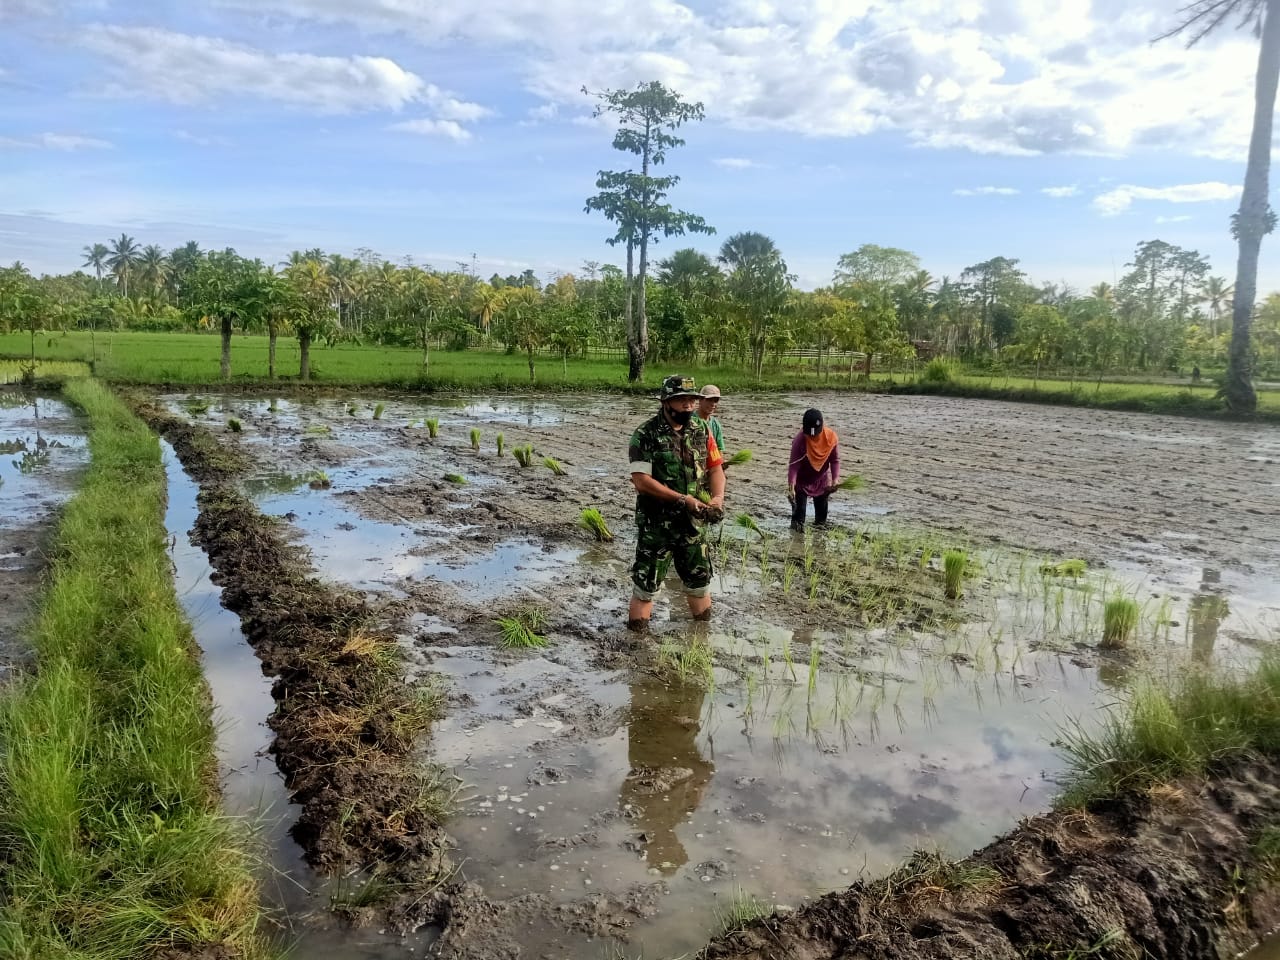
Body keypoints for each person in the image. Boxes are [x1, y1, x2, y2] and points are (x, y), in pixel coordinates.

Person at [627, 375, 726, 631]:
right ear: (665, 402)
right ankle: (637, 644)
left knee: (699, 584)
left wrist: (717, 498)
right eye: (681, 400)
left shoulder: (701, 431)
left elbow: (716, 469)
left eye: (691, 400)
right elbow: (641, 480)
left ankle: (701, 637)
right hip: (657, 527)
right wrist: (682, 499)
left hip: (693, 525)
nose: (688, 406)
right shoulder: (644, 435)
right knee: (645, 588)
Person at [787, 407, 839, 530]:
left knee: (821, 521)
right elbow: (793, 466)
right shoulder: (799, 441)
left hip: (821, 479)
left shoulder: (830, 438)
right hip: (802, 481)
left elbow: (835, 460)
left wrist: (835, 479)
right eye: (809, 435)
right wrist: (791, 486)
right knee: (798, 522)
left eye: (815, 434)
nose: (812, 437)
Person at [697, 385, 725, 452]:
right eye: (709, 400)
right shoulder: (689, 421)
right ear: (700, 400)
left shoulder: (715, 424)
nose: (713, 404)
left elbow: (719, 449)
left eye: (716, 400)